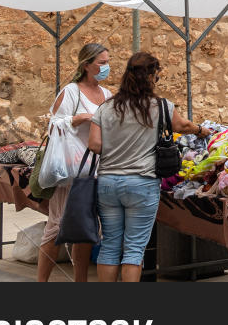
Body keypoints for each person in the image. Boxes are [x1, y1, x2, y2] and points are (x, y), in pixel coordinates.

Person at [86, 52, 204, 282]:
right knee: (134, 248)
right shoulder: (161, 106)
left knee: (110, 244)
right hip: (143, 183)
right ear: (151, 77)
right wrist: (201, 130)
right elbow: (183, 126)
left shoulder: (106, 107)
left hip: (108, 183)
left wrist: (118, 149)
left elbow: (94, 144)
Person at [37, 42, 112, 283]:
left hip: (95, 170)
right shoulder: (71, 92)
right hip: (70, 171)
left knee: (85, 228)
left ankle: (81, 282)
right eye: (101, 63)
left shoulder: (107, 95)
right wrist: (78, 118)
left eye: (107, 62)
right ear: (86, 65)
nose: (106, 67)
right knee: (56, 226)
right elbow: (53, 126)